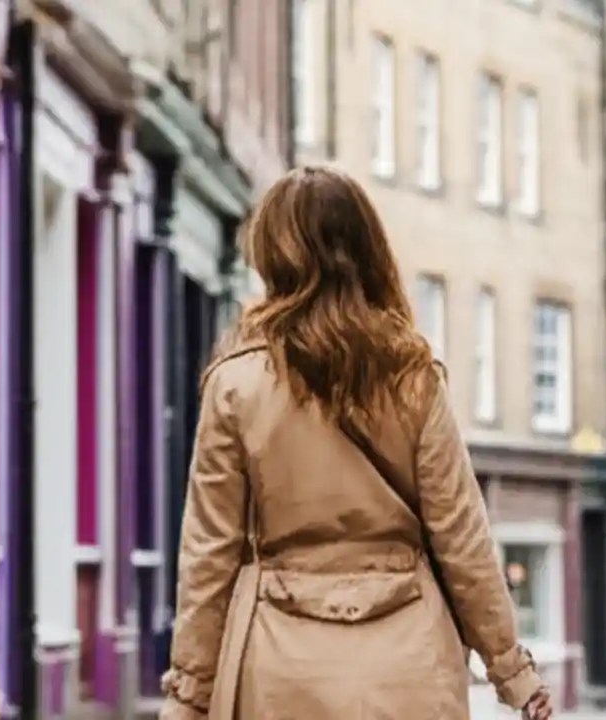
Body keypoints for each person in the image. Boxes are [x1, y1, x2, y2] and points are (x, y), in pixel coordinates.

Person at [160, 166, 553, 720]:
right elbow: (462, 536)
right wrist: (513, 672)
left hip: (280, 668)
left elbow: (208, 557)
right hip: (409, 667)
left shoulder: (235, 385)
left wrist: (188, 697)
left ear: (272, 254)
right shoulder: (413, 378)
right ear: (368, 250)